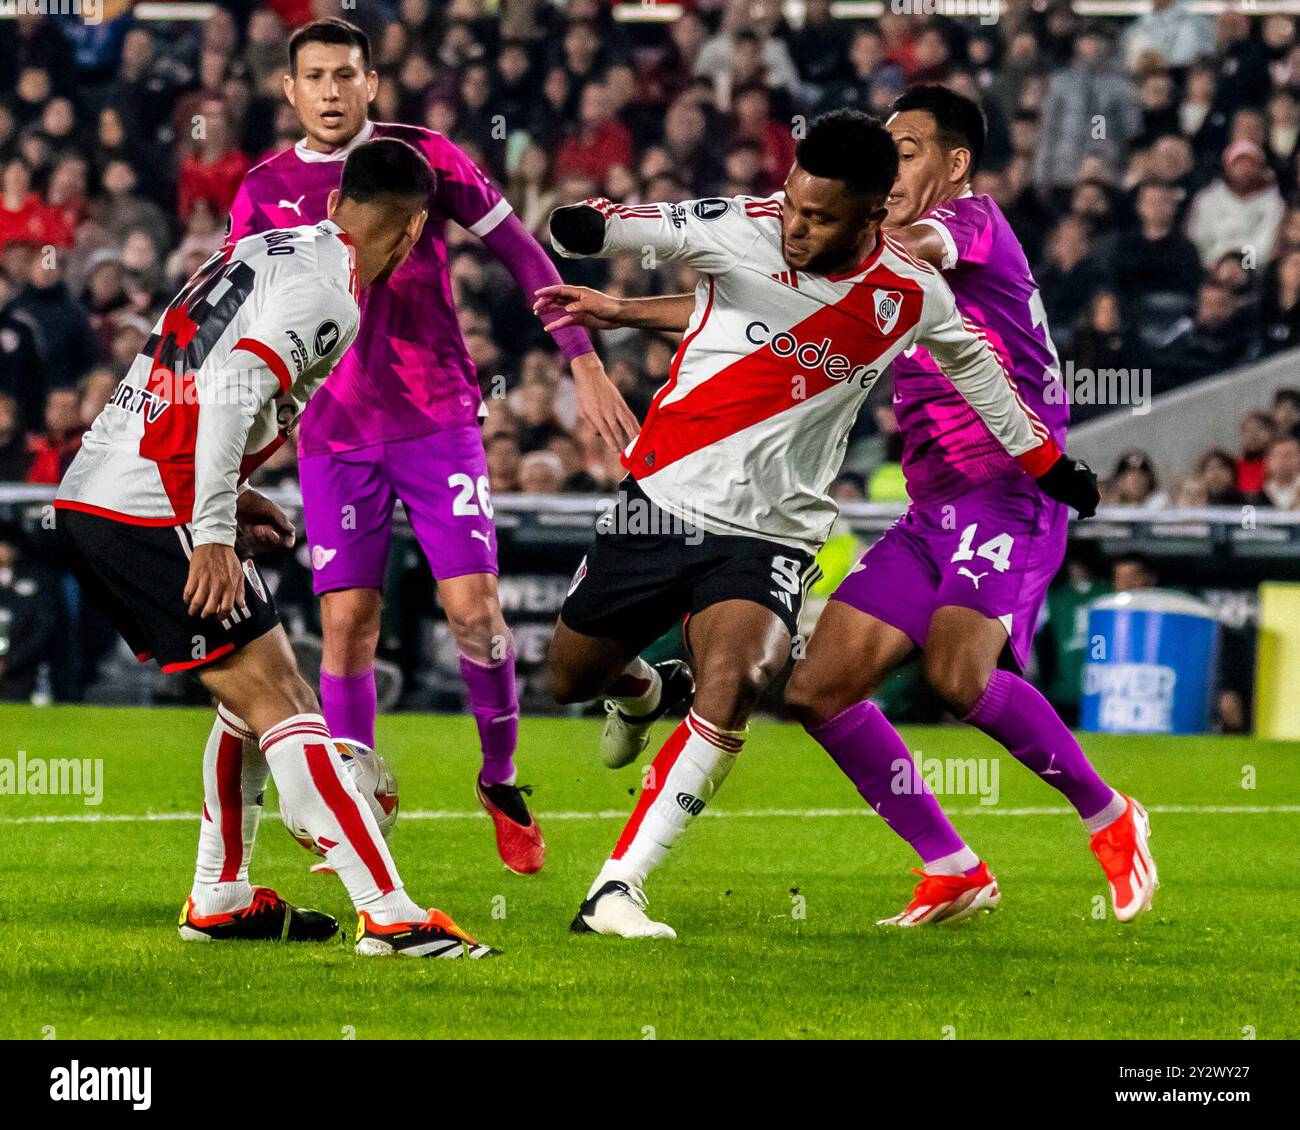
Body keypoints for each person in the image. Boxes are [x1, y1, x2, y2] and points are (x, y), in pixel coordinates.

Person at [554, 87, 1152, 929]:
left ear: (952, 166)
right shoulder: (830, 252)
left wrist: (811, 227)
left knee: (957, 675)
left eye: (906, 150)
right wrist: (625, 306)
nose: (896, 162)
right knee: (817, 691)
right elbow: (761, 308)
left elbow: (886, 259)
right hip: (932, 500)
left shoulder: (966, 224)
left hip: (1011, 490)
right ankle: (952, 865)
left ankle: (1110, 816)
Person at [56, 138, 497, 959]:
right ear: (408, 239)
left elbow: (186, 371)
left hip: (113, 484)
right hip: (152, 506)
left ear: (335, 206)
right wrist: (214, 533)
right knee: (286, 707)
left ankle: (221, 895)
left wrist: (232, 496)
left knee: (250, 699)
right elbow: (229, 396)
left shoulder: (265, 246)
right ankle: (393, 916)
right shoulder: (330, 294)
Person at [227, 19, 638, 874]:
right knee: (345, 626)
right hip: (333, 435)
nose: (333, 91)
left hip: (438, 420)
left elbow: (523, 252)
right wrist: (236, 445)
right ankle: (356, 805)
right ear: (290, 91)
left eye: (347, 74)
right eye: (315, 77)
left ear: (372, 82)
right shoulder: (263, 188)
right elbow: (242, 317)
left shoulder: (427, 157)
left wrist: (585, 361)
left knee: (475, 613)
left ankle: (501, 778)